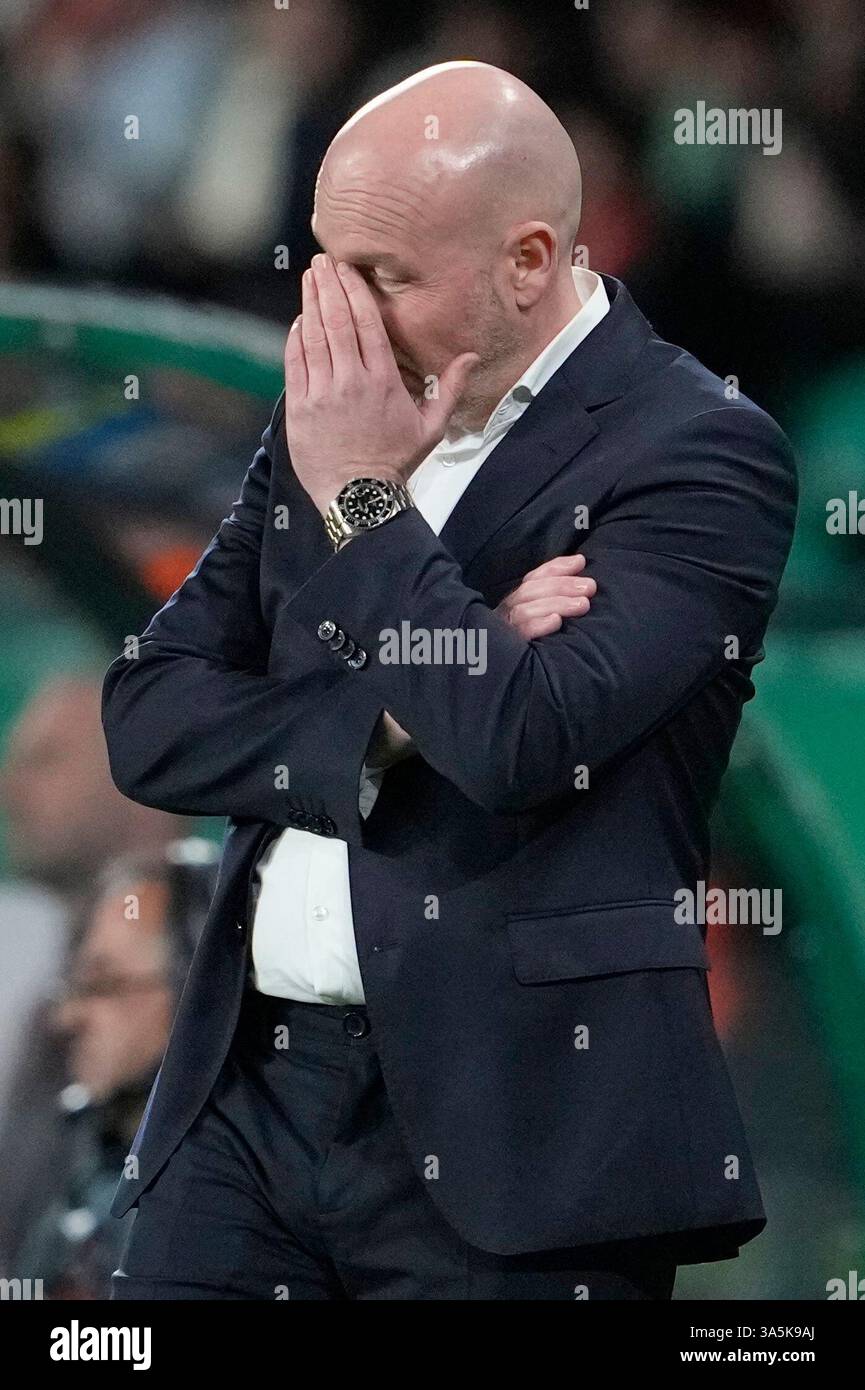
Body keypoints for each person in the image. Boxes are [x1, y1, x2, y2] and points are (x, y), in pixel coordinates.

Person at [103, 62, 797, 1300]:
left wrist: (367, 507)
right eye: (322, 263)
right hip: (247, 1104)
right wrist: (382, 725)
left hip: (518, 1138)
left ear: (528, 260)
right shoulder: (326, 411)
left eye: (382, 277)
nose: (337, 318)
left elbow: (525, 738)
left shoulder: (700, 450)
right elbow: (149, 718)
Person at [10, 842, 216, 1299]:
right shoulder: (89, 1159)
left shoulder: (235, 1202)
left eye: (102, 984)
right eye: (74, 986)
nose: (68, 1018)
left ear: (196, 991)